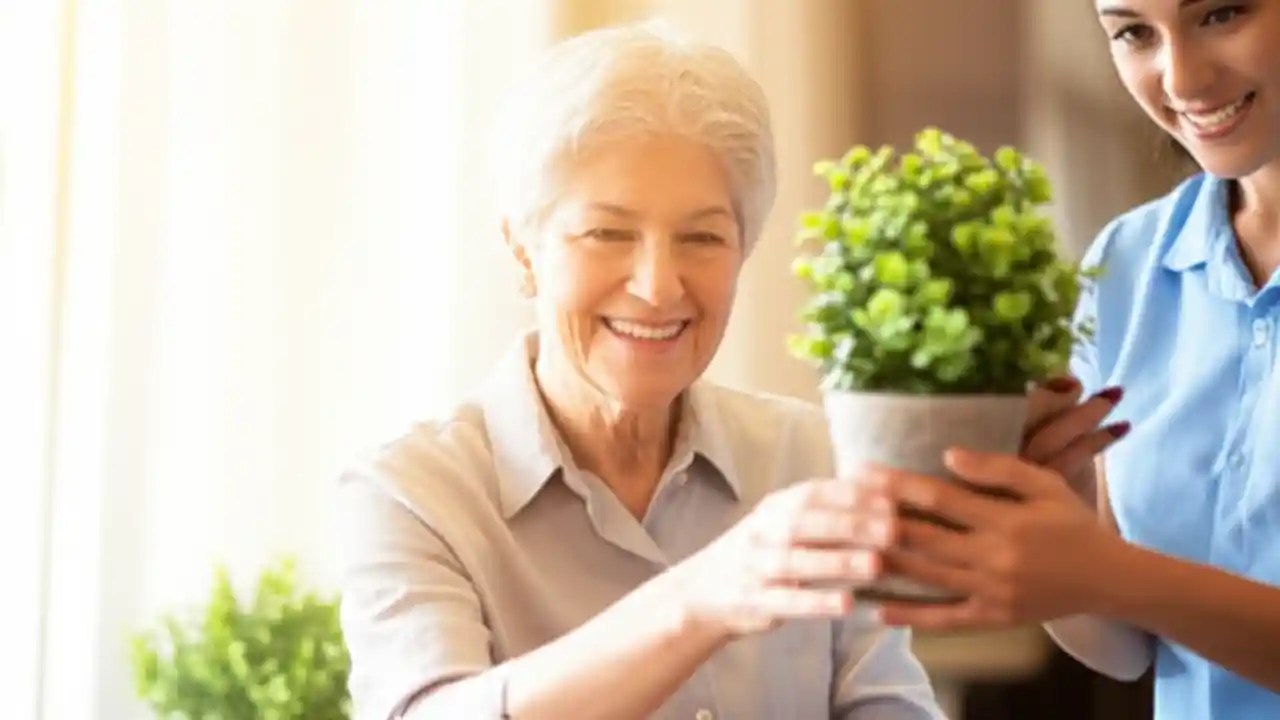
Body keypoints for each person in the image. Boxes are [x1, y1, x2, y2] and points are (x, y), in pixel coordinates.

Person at [335, 24, 954, 720]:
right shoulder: (412, 494)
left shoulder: (812, 460)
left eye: (702, 237)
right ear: (523, 249)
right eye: (607, 232)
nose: (659, 286)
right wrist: (698, 599)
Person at [864, 1, 1280, 718]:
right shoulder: (1127, 264)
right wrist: (1067, 519)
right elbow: (1125, 652)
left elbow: (1122, 582)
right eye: (1134, 34)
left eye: (1221, 13)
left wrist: (1112, 571)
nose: (1179, 78)